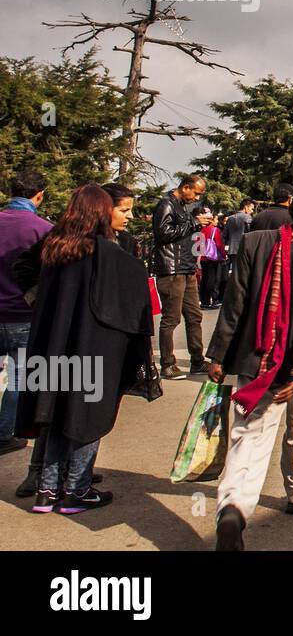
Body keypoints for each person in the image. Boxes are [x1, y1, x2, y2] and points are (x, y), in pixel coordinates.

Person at [206, 185, 293, 550]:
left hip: (256, 358)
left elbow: (234, 303)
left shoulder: (254, 242)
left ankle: (233, 506)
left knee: (249, 435)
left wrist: (218, 355)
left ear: (292, 209)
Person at [20, 184, 153, 514]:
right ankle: (77, 489)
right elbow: (137, 299)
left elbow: (23, 268)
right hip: (91, 349)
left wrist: (37, 300)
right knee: (86, 418)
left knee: (54, 415)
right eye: (122, 209)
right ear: (100, 212)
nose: (128, 215)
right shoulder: (108, 255)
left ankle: (47, 491)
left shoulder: (55, 246)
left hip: (52, 347)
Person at [0, 171, 52, 457]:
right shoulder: (43, 229)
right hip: (22, 313)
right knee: (19, 378)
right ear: (40, 195)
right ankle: (5, 432)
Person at [152, 174, 213, 380]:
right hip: (171, 269)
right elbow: (163, 234)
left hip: (185, 268)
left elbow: (183, 233)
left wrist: (196, 223)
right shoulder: (166, 204)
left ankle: (197, 360)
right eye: (196, 193)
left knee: (194, 316)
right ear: (185, 187)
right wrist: (195, 223)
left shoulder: (181, 207)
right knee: (171, 318)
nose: (196, 198)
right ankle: (167, 364)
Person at [198, 209, 226, 310]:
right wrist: (223, 255)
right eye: (216, 219)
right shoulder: (215, 230)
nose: (217, 221)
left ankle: (204, 301)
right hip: (212, 258)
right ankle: (213, 301)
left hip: (203, 257)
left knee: (204, 279)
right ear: (212, 220)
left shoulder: (202, 230)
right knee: (213, 280)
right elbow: (219, 245)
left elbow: (198, 245)